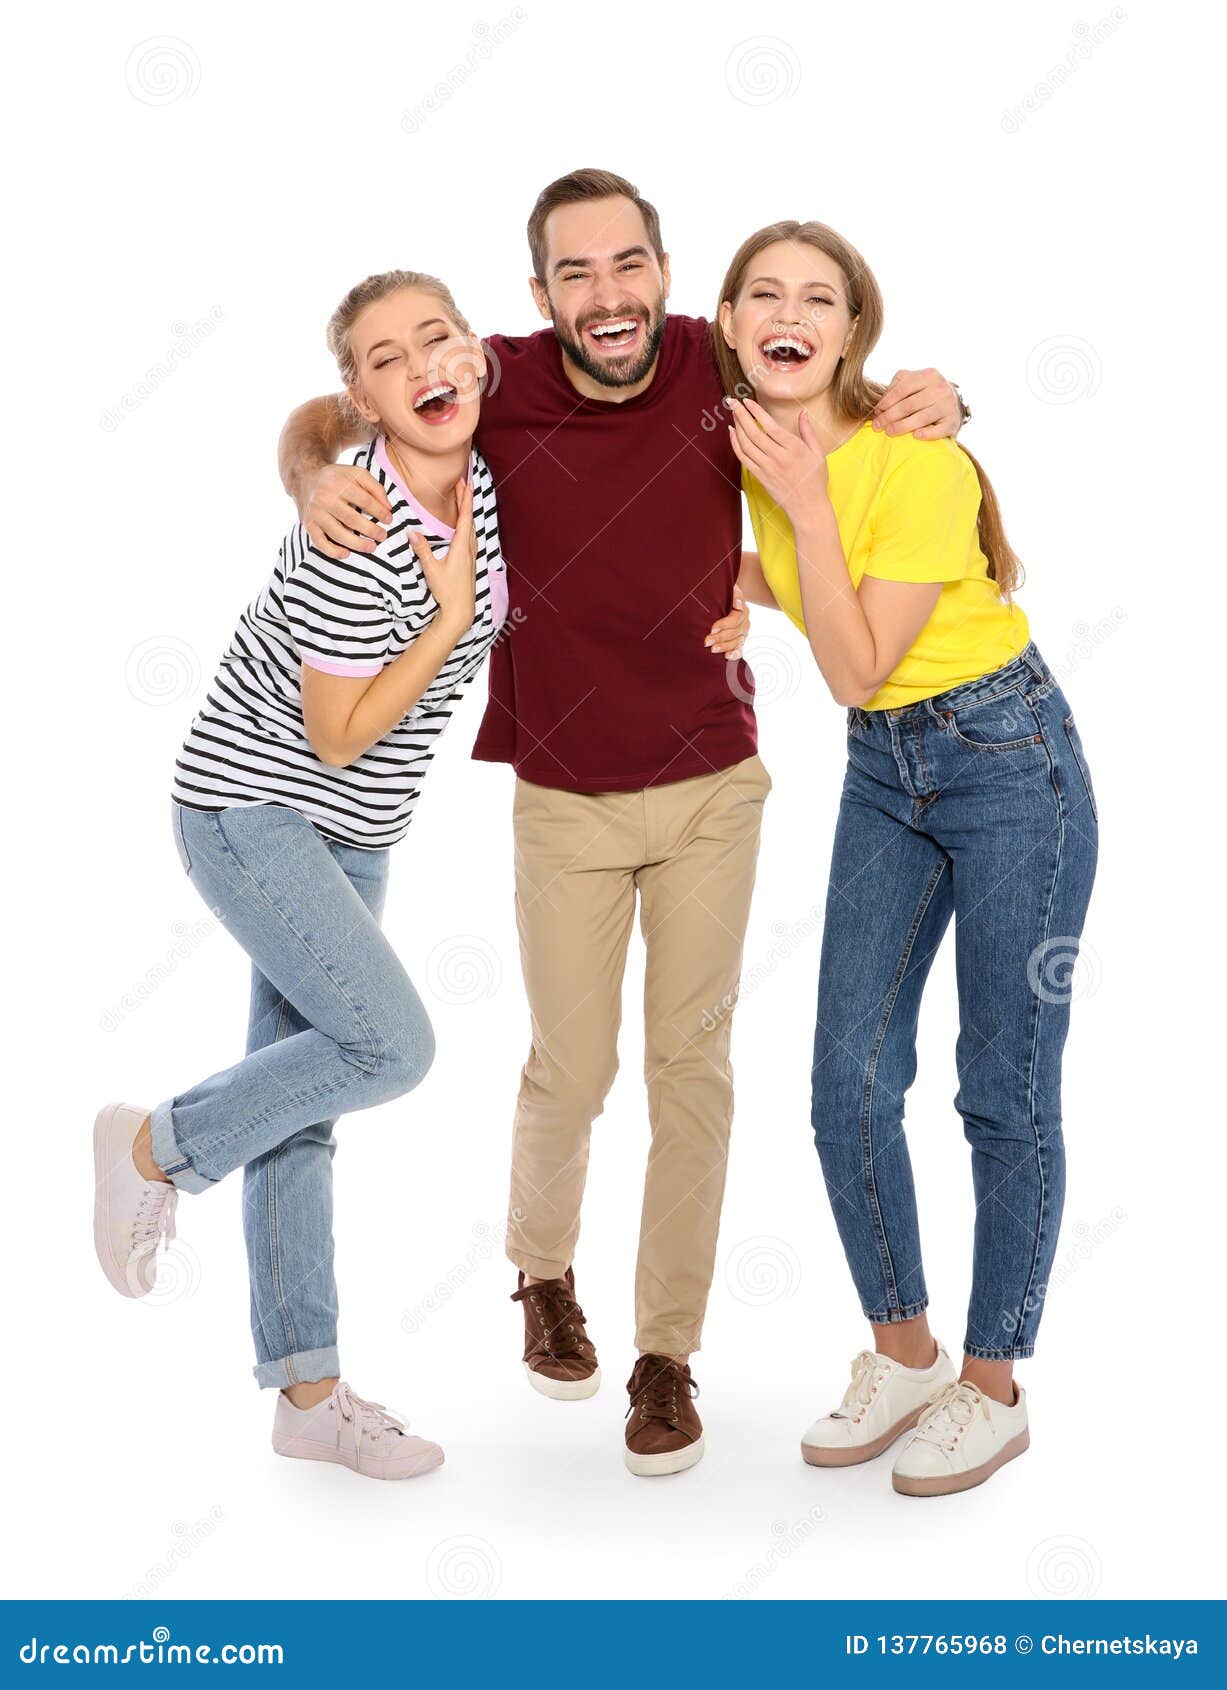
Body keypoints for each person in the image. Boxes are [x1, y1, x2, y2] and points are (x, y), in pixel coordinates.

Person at [279, 169, 964, 1476]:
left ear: (664, 273)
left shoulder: (720, 360)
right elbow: (339, 408)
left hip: (712, 781)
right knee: (574, 1065)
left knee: (690, 1070)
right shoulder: (499, 384)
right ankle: (541, 1273)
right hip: (560, 795)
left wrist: (937, 396)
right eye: (575, 273)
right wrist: (314, 466)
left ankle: (664, 1355)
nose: (607, 293)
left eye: (628, 265)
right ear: (538, 297)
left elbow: (854, 402)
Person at [93, 270, 510, 1481]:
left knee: (310, 1098)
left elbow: (315, 425)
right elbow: (336, 734)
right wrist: (441, 620)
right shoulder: (354, 530)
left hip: (358, 829)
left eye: (438, 337)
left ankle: (307, 1394)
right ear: (363, 398)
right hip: (253, 809)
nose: (422, 364)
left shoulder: (487, 470)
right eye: (386, 358)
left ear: (475, 353)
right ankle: (151, 1148)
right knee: (394, 1046)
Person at [717, 220, 1098, 1496]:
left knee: (1002, 1086)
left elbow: (855, 664)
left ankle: (993, 1386)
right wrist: (749, 584)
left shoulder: (918, 463)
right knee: (846, 1083)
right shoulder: (743, 445)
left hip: (1007, 762)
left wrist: (811, 516)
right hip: (888, 774)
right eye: (763, 293)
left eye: (818, 297)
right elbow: (797, 577)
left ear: (853, 332)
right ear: (726, 324)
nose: (790, 310)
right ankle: (908, 1352)